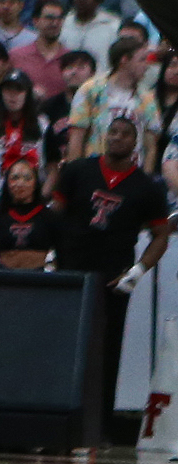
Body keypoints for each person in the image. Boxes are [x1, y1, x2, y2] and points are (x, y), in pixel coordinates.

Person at [51, 114, 170, 387]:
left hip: (113, 277)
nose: (117, 137)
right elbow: (55, 216)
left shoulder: (147, 187)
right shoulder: (77, 170)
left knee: (107, 348)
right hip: (71, 268)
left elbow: (161, 235)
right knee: (62, 343)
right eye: (112, 131)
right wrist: (50, 254)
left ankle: (103, 421)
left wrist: (137, 272)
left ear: (136, 142)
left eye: (124, 133)